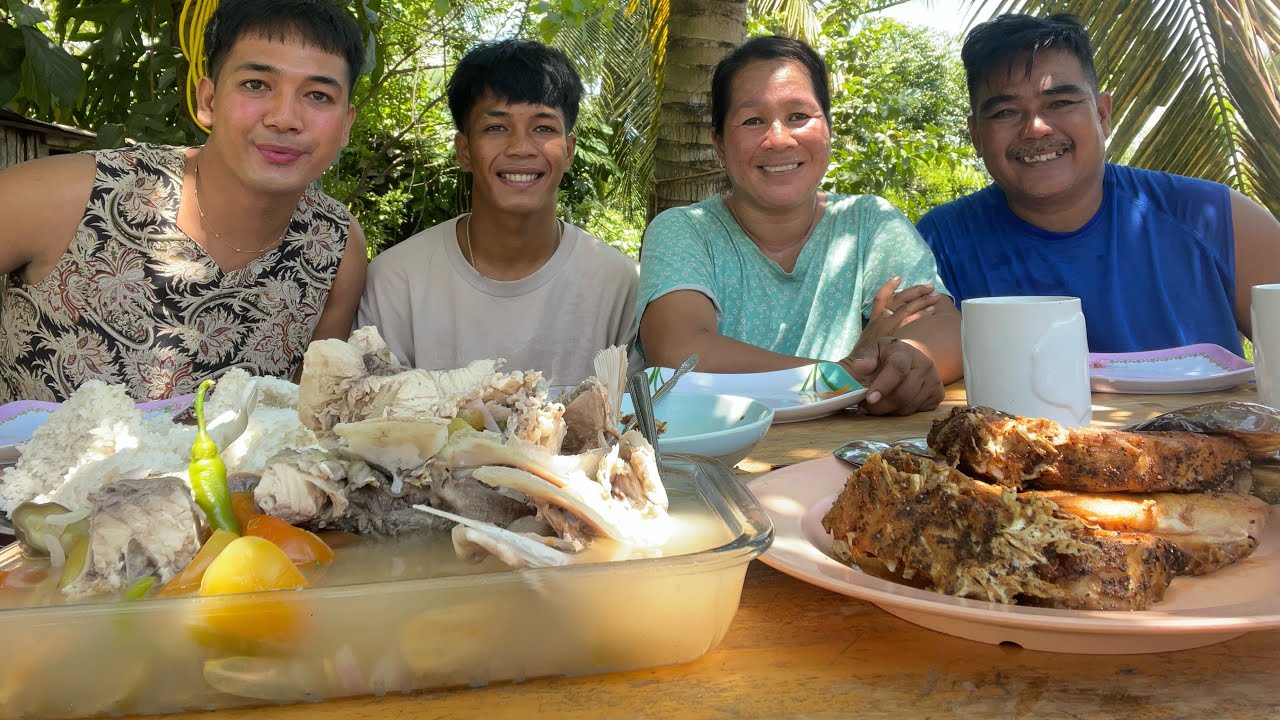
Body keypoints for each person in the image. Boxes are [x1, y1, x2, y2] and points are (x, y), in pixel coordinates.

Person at [0, 0, 367, 403]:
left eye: (317, 95)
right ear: (207, 100)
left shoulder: (334, 247)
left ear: (346, 125)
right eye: (256, 85)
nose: (284, 118)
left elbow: (302, 420)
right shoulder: (69, 194)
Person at [636, 36, 962, 416]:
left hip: (849, 461)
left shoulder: (870, 223)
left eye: (798, 116)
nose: (778, 139)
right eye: (753, 120)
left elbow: (944, 326)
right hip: (711, 462)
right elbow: (680, 352)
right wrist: (837, 378)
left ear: (828, 128)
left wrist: (903, 360)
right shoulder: (684, 231)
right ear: (719, 143)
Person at [918, 13, 1280, 354]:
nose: (1036, 128)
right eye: (1005, 113)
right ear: (976, 136)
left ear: (1102, 115)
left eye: (1060, 102)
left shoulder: (1216, 219)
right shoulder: (936, 245)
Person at [358, 40, 639, 386]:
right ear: (464, 151)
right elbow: (372, 423)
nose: (521, 148)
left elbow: (636, 423)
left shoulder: (620, 285)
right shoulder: (396, 281)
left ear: (568, 151)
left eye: (543, 128)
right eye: (496, 128)